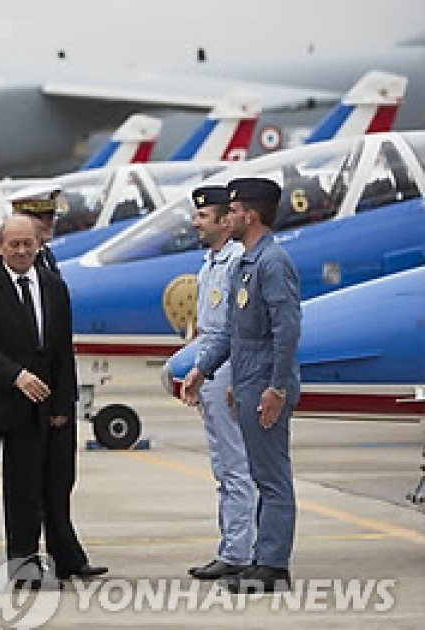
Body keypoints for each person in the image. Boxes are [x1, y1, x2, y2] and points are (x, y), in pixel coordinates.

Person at [0, 213, 105, 596]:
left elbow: (60, 350)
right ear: (0, 246)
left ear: (39, 246)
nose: (20, 251)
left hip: (32, 408)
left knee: (26, 487)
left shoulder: (52, 287)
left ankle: (24, 562)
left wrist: (62, 403)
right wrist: (16, 375)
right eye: (12, 245)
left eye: (27, 244)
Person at [182, 177, 301, 594]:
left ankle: (273, 567)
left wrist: (277, 388)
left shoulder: (271, 263)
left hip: (266, 382)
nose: (226, 215)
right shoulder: (248, 264)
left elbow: (287, 331)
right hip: (248, 379)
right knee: (259, 473)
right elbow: (235, 332)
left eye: (231, 210)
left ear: (248, 215)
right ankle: (261, 559)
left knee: (271, 478)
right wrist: (206, 370)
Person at [176, 186, 256, 580]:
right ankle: (232, 547)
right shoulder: (211, 263)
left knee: (236, 465)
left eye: (203, 216)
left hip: (227, 369)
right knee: (224, 465)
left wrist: (233, 378)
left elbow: (239, 329)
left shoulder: (238, 262)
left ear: (226, 220)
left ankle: (239, 552)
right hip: (211, 367)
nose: (196, 222)